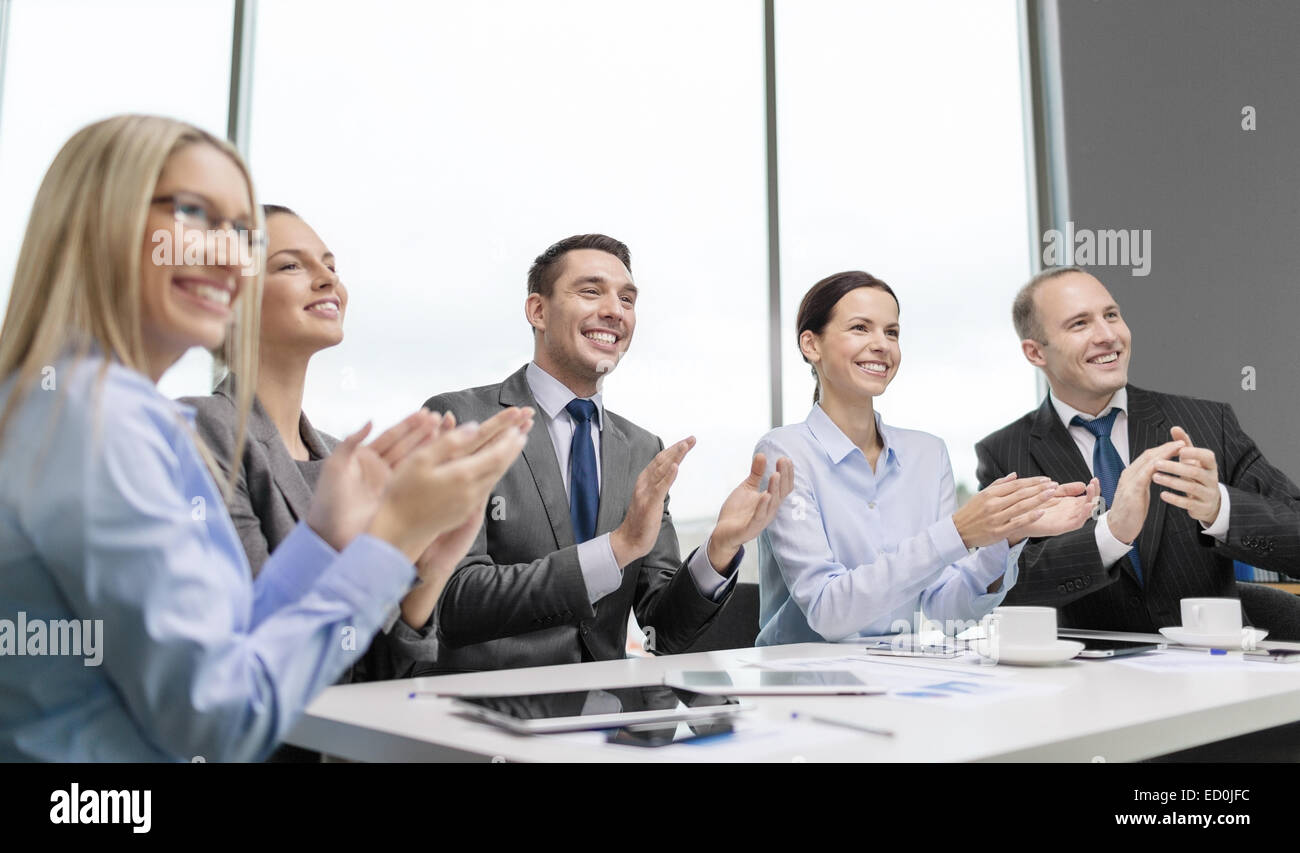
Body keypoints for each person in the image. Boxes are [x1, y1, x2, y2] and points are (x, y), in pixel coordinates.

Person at [0, 115, 530, 761]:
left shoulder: (102, 410)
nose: (231, 253)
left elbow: (225, 646)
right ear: (98, 222)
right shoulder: (97, 423)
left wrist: (328, 540)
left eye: (240, 231)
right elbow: (221, 717)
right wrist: (388, 540)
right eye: (195, 214)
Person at [387, 233, 794, 673]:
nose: (615, 310)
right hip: (489, 710)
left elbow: (664, 629)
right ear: (538, 311)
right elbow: (453, 603)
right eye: (590, 291)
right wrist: (616, 549)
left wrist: (719, 548)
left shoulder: (641, 448)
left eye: (627, 298)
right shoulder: (463, 418)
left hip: (610, 714)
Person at [754, 271, 1099, 645]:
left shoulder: (928, 454)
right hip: (799, 682)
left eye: (892, 332)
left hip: (899, 677)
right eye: (860, 328)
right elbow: (828, 611)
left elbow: (947, 612)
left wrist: (1007, 538)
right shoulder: (784, 453)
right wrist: (958, 533)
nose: (881, 344)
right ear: (811, 345)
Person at [975, 266, 1300, 633]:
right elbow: (1002, 595)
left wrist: (1221, 508)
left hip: (1215, 672)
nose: (1108, 335)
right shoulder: (1004, 453)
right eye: (1080, 324)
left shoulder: (1207, 423)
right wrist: (1109, 535)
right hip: (1091, 681)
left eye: (1111, 315)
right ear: (1035, 352)